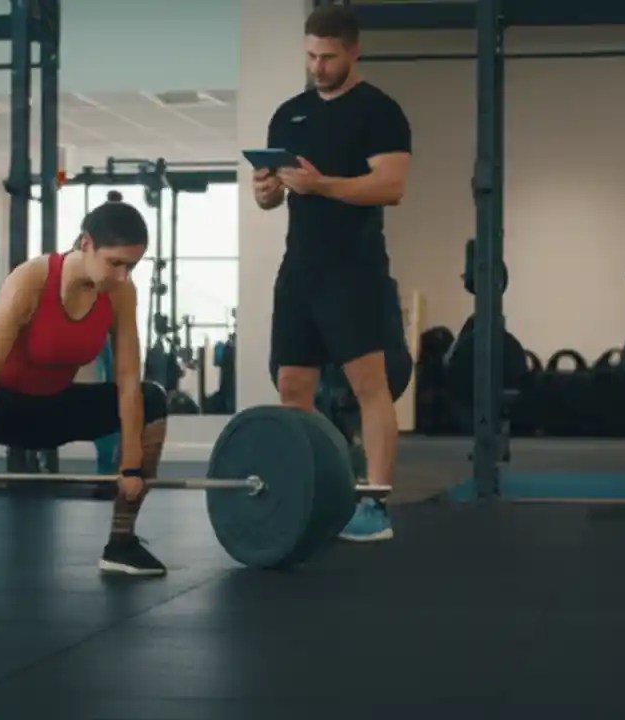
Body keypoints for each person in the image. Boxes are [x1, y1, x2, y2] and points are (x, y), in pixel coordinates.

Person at [0, 200, 170, 581]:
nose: (123, 276)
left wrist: (131, 466)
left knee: (152, 397)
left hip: (54, 410)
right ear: (86, 244)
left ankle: (121, 544)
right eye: (115, 263)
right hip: (3, 408)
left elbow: (127, 379)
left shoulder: (121, 292)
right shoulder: (30, 280)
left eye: (131, 266)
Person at [253, 5, 412, 542]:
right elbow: (270, 199)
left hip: (354, 268)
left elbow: (391, 186)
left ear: (353, 52)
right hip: (299, 268)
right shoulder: (289, 114)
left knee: (371, 386)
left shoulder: (380, 111)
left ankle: (376, 504)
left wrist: (322, 185)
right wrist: (266, 191)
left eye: (327, 57)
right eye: (310, 56)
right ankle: (308, 493)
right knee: (291, 385)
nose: (317, 67)